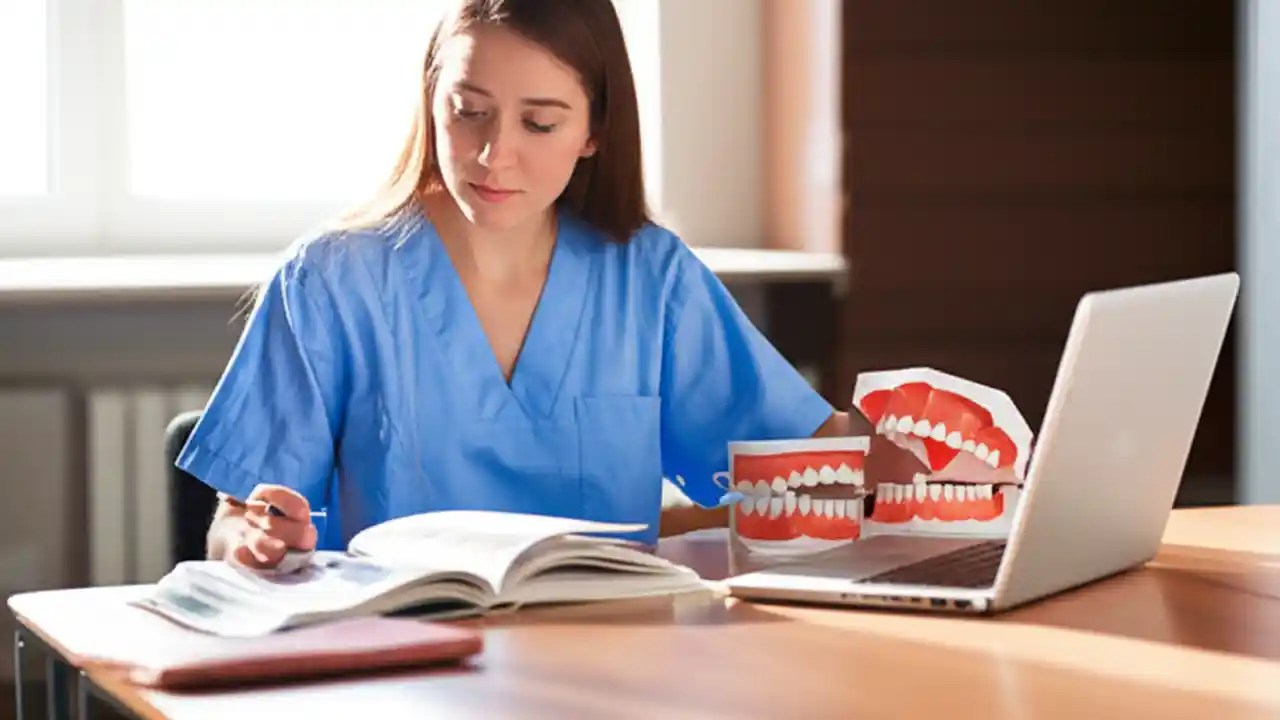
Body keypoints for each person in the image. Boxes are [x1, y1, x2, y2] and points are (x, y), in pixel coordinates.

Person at [179, 0, 852, 570]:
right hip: (398, 675)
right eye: (469, 111)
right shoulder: (329, 282)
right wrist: (258, 541)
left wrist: (921, 451)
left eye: (540, 123)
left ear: (594, 131)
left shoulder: (653, 280)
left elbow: (816, 469)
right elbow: (232, 526)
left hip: (611, 668)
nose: (494, 154)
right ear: (431, 101)